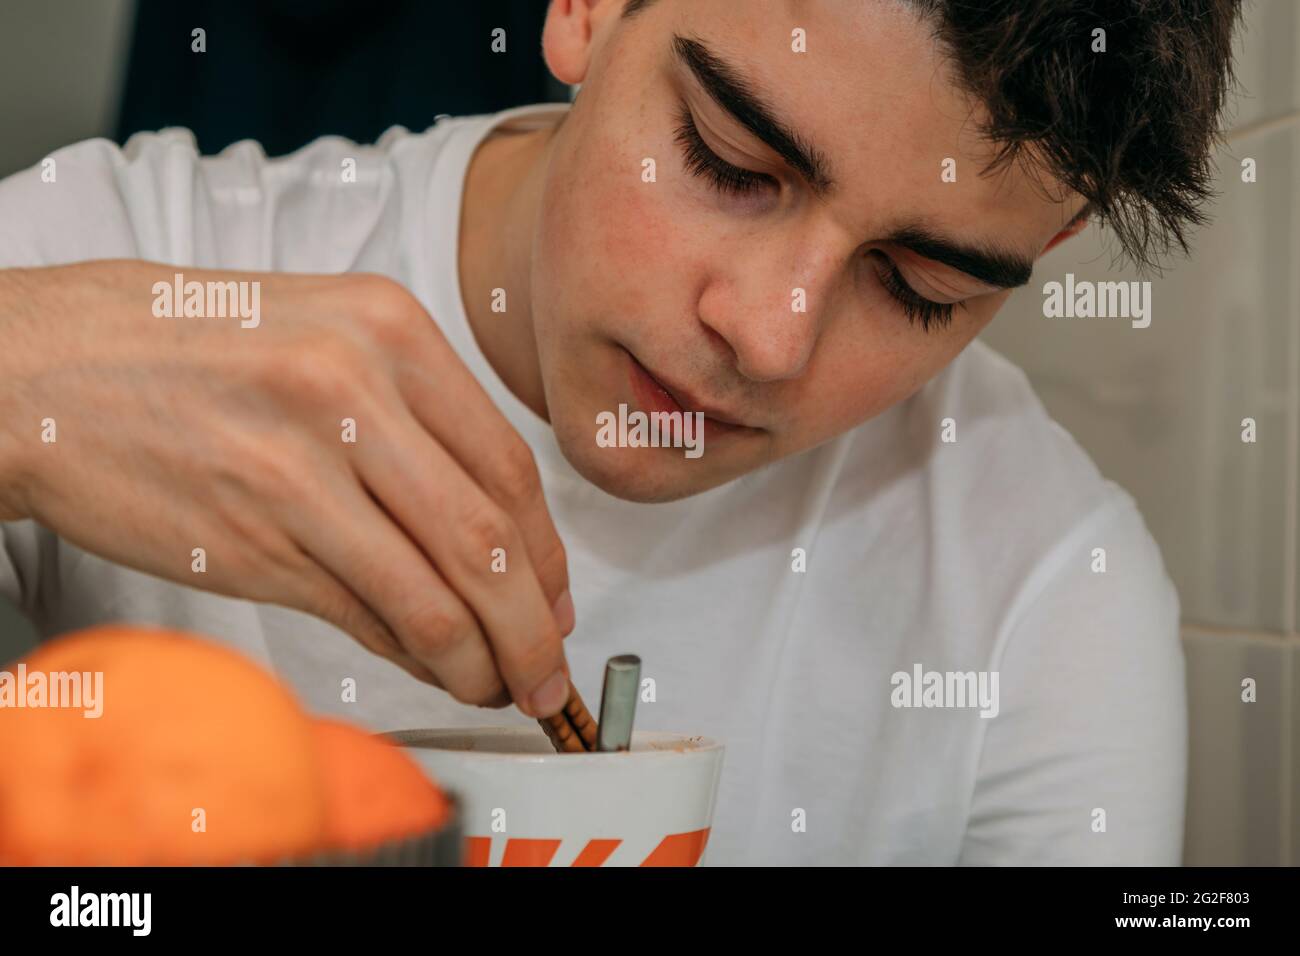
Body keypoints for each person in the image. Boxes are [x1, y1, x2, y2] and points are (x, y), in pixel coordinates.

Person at [0, 0, 1243, 864]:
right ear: (588, 9)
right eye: (728, 160)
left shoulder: (1049, 595)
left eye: (919, 286)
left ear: (1047, 246)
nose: (769, 336)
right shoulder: (112, 250)